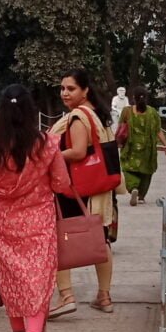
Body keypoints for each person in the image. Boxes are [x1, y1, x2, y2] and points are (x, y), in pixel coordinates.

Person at [0, 83, 72, 332]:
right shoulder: (48, 144)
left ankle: (17, 330)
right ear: (31, 112)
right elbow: (61, 184)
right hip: (39, 222)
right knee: (37, 280)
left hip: (4, 222)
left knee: (12, 276)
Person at [49, 68, 117, 317]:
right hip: (99, 187)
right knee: (100, 239)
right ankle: (104, 296)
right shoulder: (97, 114)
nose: (64, 93)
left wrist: (49, 156)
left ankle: (66, 296)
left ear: (85, 90)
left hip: (78, 187)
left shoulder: (78, 117)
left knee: (60, 238)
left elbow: (77, 152)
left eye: (71, 89)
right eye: (63, 88)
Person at [118, 87, 166, 205]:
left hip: (130, 149)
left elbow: (120, 128)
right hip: (147, 149)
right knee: (146, 172)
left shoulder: (126, 111)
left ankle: (133, 188)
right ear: (146, 98)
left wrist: (118, 142)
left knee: (128, 169)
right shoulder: (152, 113)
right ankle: (141, 196)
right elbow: (158, 131)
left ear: (133, 98)